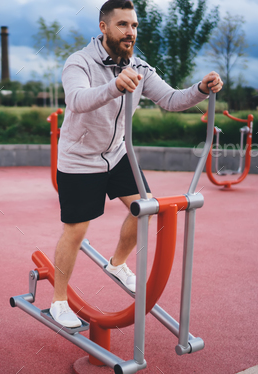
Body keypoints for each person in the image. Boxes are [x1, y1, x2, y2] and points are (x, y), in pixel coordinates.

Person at [50, 0, 223, 327]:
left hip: (116, 154)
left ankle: (117, 263)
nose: (130, 32)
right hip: (79, 160)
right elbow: (77, 100)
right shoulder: (79, 62)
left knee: (145, 208)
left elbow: (171, 100)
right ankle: (59, 300)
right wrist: (114, 86)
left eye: (134, 26)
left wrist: (200, 89)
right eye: (122, 25)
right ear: (103, 28)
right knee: (76, 231)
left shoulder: (140, 67)